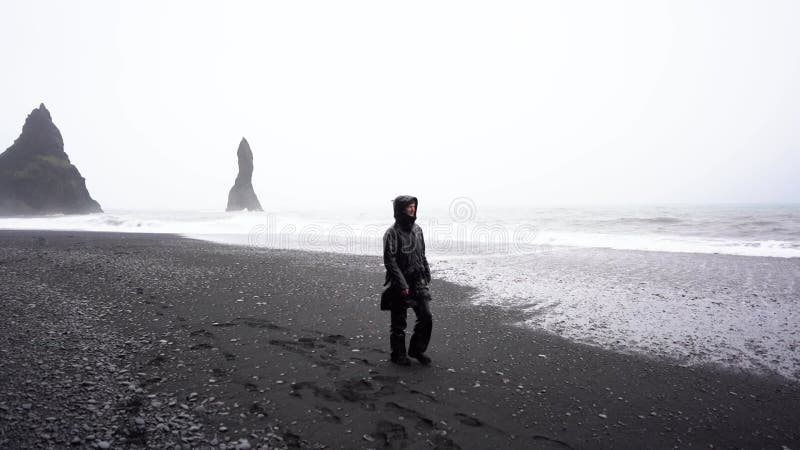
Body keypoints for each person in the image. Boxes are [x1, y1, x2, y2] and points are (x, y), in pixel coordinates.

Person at [382, 195, 433, 366]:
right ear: (400, 209)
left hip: (418, 279)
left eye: (414, 206)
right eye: (409, 206)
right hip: (400, 282)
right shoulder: (392, 233)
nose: (413, 209)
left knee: (426, 316)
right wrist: (402, 284)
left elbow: (422, 254)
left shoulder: (418, 230)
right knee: (399, 322)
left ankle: (417, 350)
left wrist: (426, 272)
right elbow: (390, 261)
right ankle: (398, 354)